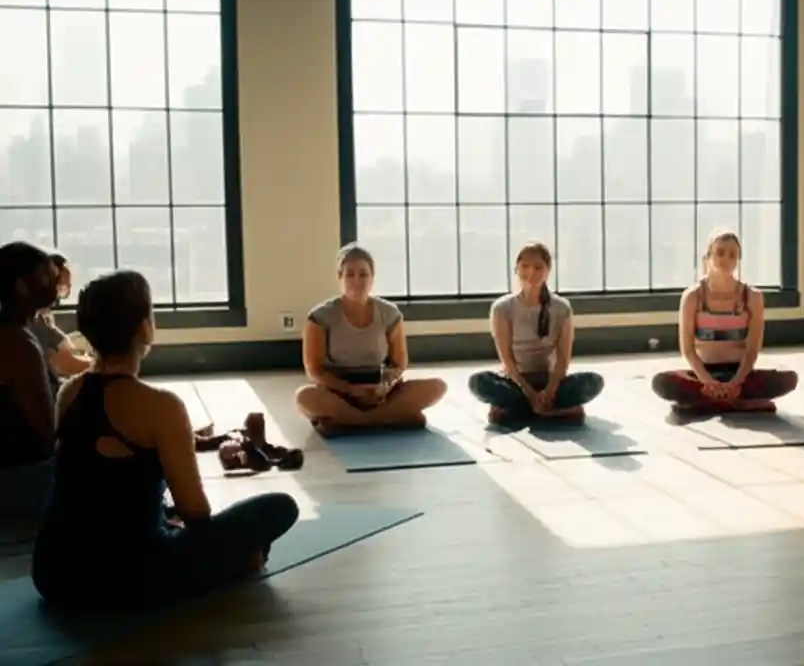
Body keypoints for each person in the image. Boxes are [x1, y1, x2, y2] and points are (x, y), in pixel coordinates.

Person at [31, 270, 299, 609]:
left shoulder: (69, 392)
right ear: (145, 327)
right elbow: (196, 513)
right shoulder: (162, 406)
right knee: (279, 507)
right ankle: (232, 563)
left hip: (53, 575)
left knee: (164, 519)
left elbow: (92, 489)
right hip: (129, 578)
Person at [295, 244, 447, 435]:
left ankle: (348, 422)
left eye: (363, 274)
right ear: (339, 278)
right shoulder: (320, 317)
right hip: (338, 391)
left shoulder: (390, 313)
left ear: (372, 278)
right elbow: (314, 370)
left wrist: (385, 386)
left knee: (437, 386)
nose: (357, 281)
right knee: (304, 397)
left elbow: (399, 363)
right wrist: (349, 389)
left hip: (378, 391)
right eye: (350, 275)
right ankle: (386, 418)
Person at [651, 231, 798, 413]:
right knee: (663, 382)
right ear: (707, 256)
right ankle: (736, 401)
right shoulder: (692, 297)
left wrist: (736, 381)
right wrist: (708, 381)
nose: (726, 259)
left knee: (789, 379)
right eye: (720, 252)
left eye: (732, 254)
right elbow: (687, 350)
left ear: (738, 260)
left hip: (740, 374)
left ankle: (710, 402)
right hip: (702, 374)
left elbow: (752, 350)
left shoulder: (753, 297)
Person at [470, 242, 604, 423]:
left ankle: (520, 410)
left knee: (593, 381)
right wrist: (530, 393)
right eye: (525, 266)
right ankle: (551, 409)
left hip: (550, 382)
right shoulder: (502, 308)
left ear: (548, 271)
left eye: (538, 267)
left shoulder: (561, 308)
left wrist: (550, 390)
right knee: (478, 382)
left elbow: (563, 358)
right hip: (516, 383)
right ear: (516, 268)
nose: (531, 273)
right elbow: (507, 360)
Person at [0, 242, 60, 518]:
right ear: (21, 285)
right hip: (18, 479)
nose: (55, 284)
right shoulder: (19, 344)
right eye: (46, 278)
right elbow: (48, 431)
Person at [28, 253, 92, 383]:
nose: (54, 298)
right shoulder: (34, 321)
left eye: (62, 290)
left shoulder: (43, 318)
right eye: (59, 288)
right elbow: (65, 365)